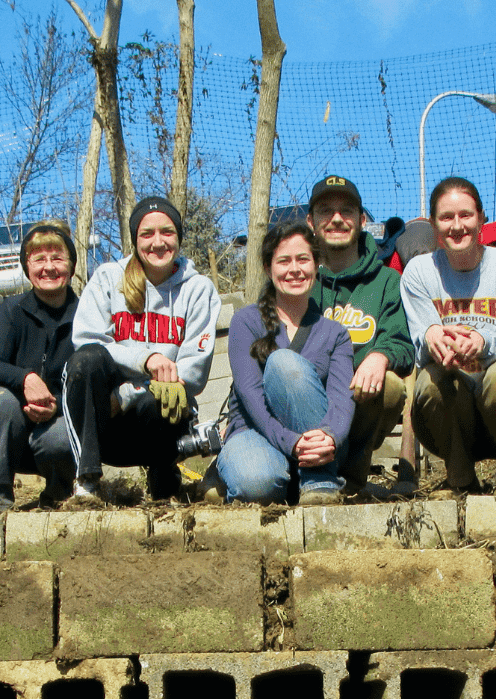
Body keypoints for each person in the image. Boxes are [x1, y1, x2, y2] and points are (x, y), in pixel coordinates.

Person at [64, 196, 221, 500]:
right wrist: (146, 359)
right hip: (106, 426)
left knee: (164, 395)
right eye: (147, 234)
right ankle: (86, 481)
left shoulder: (198, 289)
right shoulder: (109, 278)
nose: (158, 242)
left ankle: (165, 480)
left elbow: (194, 372)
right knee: (87, 360)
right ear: (135, 240)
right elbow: (86, 340)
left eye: (167, 232)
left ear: (178, 237)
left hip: (161, 420)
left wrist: (125, 395)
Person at [400, 177, 496, 496]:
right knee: (431, 380)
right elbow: (419, 347)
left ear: (482, 218)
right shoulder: (419, 272)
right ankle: (459, 479)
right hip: (447, 416)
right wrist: (433, 337)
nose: (457, 225)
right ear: (434, 224)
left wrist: (483, 343)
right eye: (446, 217)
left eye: (466, 215)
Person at [217, 222, 354, 505]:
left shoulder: (336, 333)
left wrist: (331, 437)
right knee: (255, 484)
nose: (294, 269)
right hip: (256, 432)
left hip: (317, 448)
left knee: (284, 363)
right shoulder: (245, 322)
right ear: (268, 269)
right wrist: (290, 443)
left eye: (303, 259)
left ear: (317, 266)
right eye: (284, 261)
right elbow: (250, 395)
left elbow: (342, 399)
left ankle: (319, 482)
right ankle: (234, 473)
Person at [305, 175, 414, 493]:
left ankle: (352, 481)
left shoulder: (387, 281)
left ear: (362, 220)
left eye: (347, 210)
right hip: (305, 403)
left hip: (358, 400)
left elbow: (403, 345)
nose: (337, 218)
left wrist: (380, 356)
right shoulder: (297, 276)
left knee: (391, 385)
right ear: (311, 221)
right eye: (326, 210)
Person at [0, 220, 79, 511]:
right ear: (27, 266)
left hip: (57, 426)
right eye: (39, 259)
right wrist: (27, 379)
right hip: (11, 428)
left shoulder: (85, 315)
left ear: (70, 267)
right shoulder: (11, 310)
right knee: (1, 402)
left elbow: (91, 380)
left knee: (62, 434)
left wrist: (55, 404)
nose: (49, 267)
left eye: (57, 258)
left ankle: (58, 498)